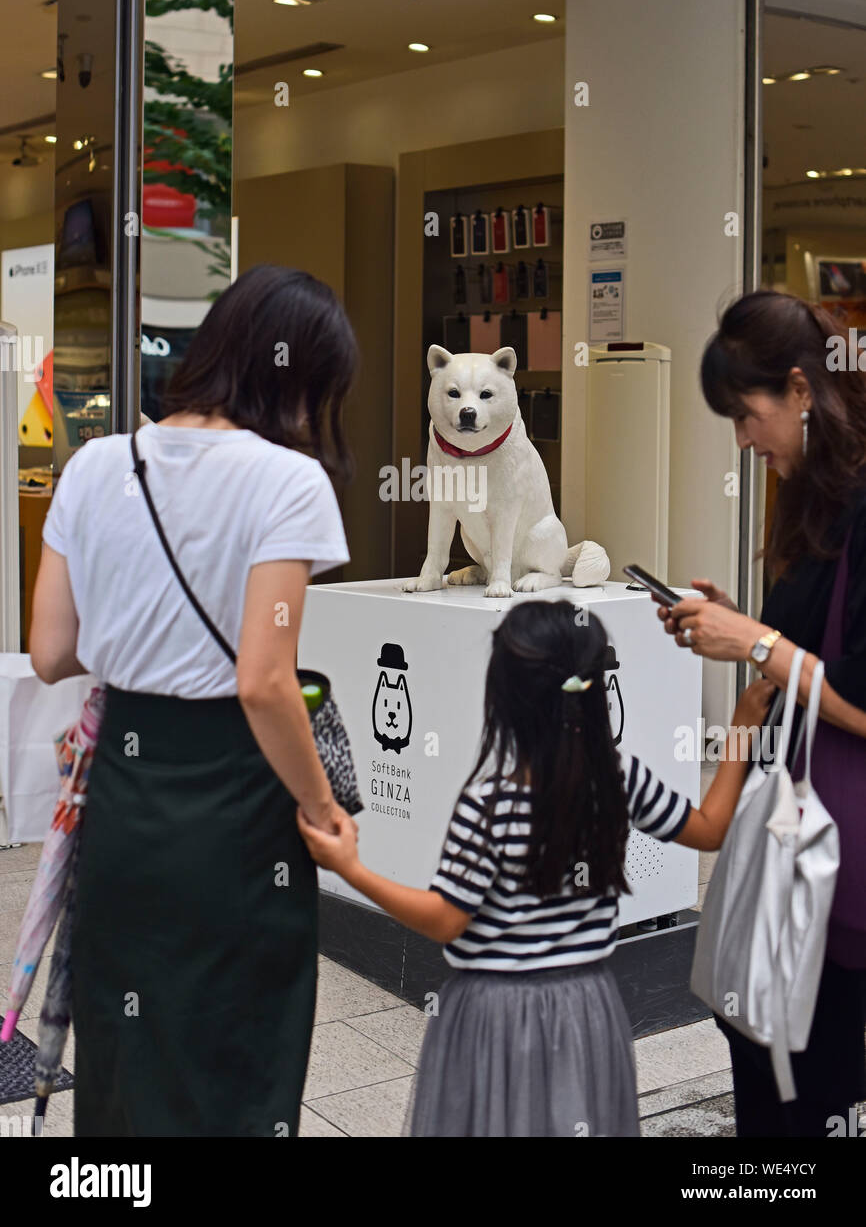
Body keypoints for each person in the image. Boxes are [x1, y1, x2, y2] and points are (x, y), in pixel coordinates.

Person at [29, 264, 358, 1137]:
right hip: (236, 811)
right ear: (299, 376)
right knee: (236, 1045)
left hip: (123, 807)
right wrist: (323, 809)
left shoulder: (95, 466)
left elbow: (50, 651)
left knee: (123, 1047)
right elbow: (264, 677)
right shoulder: (289, 484)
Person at [299, 599, 771, 1138]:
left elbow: (446, 919)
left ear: (503, 696)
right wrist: (743, 726)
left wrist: (351, 869)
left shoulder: (491, 801)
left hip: (493, 1017)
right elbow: (710, 828)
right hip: (588, 1008)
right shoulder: (616, 777)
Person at [656, 289, 866, 1138]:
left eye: (746, 416)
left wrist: (752, 642)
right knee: (761, 1040)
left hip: (835, 853)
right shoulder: (811, 497)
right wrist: (738, 621)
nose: (743, 440)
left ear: (802, 390)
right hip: (795, 838)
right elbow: (811, 650)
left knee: (803, 1078)